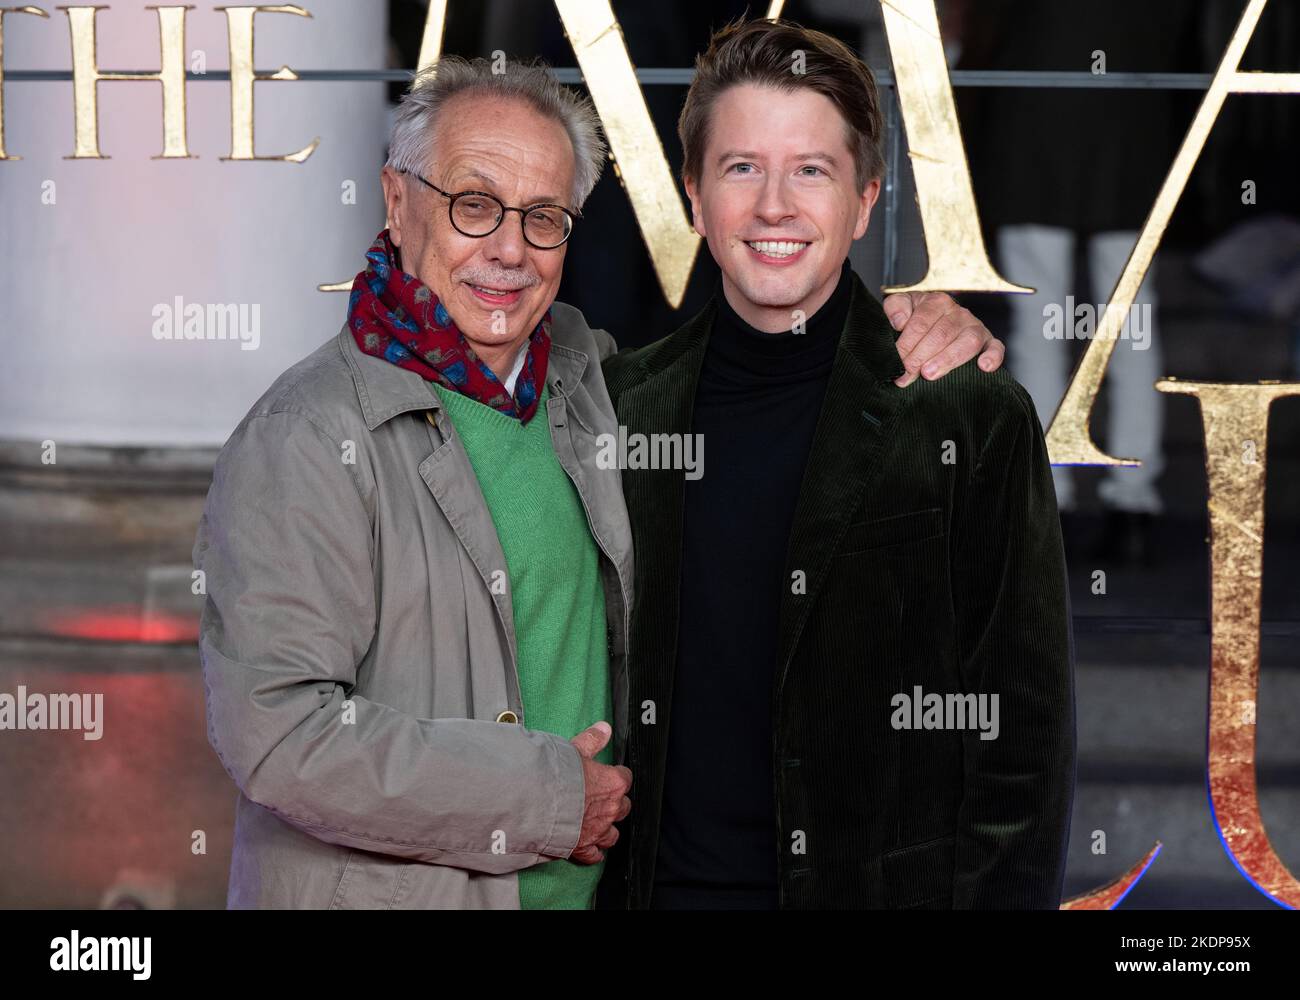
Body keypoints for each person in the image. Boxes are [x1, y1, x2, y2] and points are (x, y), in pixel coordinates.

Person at [194, 52, 1004, 910]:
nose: (508, 249)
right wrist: (546, 799)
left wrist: (916, 323)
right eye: (473, 205)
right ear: (397, 203)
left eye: (544, 217)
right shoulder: (309, 436)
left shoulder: (591, 386)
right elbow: (278, 735)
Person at [597, 19, 1076, 910]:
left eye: (810, 170)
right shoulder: (621, 407)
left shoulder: (962, 408)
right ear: (695, 198)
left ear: (864, 199)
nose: (774, 205)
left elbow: (1023, 744)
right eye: (741, 167)